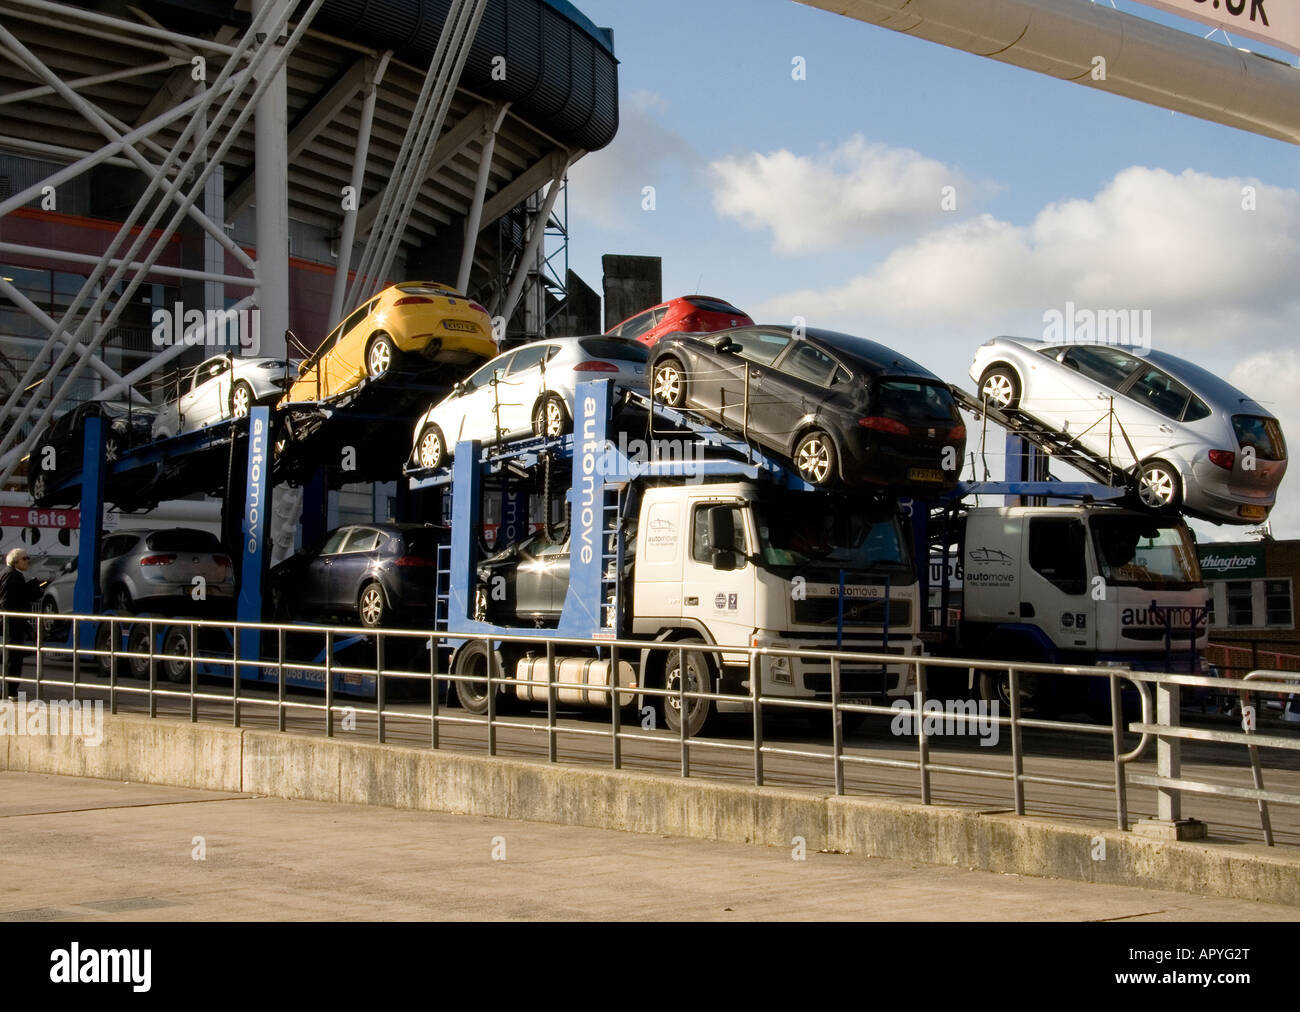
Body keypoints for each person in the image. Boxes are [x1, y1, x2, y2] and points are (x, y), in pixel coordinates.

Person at [0, 547, 36, 696]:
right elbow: (7, 600)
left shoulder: (9, 573)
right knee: (13, 656)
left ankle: (9, 689)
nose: (27, 561)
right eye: (24, 558)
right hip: (13, 622)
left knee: (12, 655)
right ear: (15, 561)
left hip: (12, 621)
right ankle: (10, 690)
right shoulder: (12, 575)